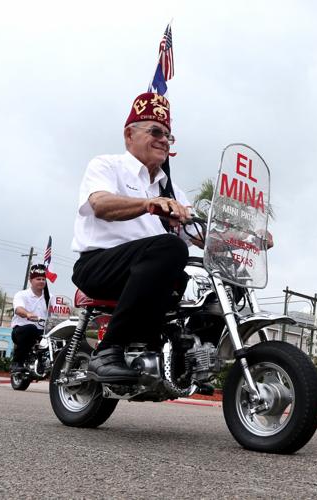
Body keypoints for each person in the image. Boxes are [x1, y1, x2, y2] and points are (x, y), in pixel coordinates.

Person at [71, 92, 196, 382]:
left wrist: (243, 237)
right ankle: (108, 350)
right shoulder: (106, 165)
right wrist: (148, 204)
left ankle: (176, 357)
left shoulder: (172, 189)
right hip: (99, 265)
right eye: (155, 131)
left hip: (147, 271)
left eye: (168, 135)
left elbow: (196, 231)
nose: (164, 139)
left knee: (197, 283)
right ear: (130, 134)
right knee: (170, 248)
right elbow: (100, 204)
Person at [11, 264, 49, 373]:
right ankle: (17, 362)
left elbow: (57, 311)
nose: (41, 281)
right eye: (38, 279)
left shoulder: (50, 297)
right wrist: (27, 314)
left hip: (43, 332)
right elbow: (18, 309)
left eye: (43, 279)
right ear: (30, 280)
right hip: (21, 330)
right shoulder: (22, 295)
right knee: (31, 328)